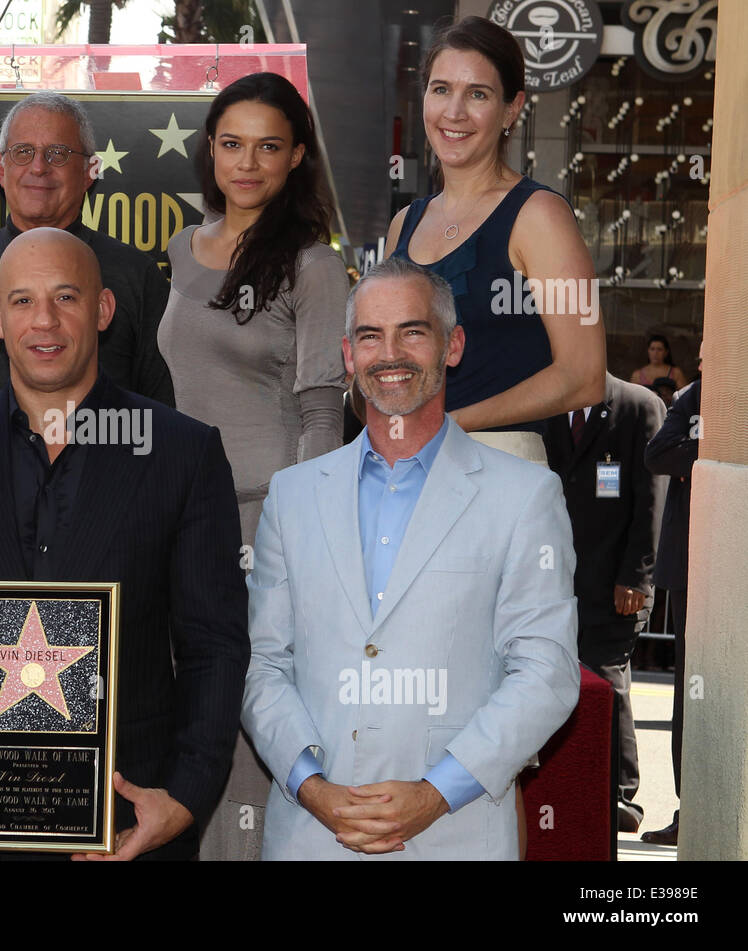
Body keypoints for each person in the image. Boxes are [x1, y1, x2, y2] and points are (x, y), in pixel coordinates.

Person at [0, 228, 248, 861]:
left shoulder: (183, 452)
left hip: (126, 825)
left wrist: (183, 795)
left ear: (103, 310)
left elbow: (214, 645)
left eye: (67, 297)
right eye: (21, 300)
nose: (44, 320)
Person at [242, 256, 580, 860]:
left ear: (452, 346)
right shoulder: (292, 495)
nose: (389, 353)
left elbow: (546, 674)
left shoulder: (524, 496)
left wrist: (435, 793)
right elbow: (263, 665)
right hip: (311, 835)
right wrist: (313, 789)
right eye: (370, 335)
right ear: (348, 355)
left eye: (413, 331)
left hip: (456, 833)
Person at [156, 71, 347, 860]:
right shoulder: (180, 246)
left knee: (251, 709)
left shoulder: (312, 263)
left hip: (262, 518)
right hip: (177, 514)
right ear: (210, 150)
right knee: (191, 708)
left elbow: (322, 407)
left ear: (298, 155)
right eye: (231, 143)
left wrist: (303, 535)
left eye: (270, 146)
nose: (247, 162)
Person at [385, 16, 605, 458]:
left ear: (511, 109)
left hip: (499, 467)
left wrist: (445, 425)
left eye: (478, 94)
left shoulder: (540, 216)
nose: (454, 112)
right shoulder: (403, 224)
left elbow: (584, 376)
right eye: (441, 89)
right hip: (406, 466)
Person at [0, 91, 174, 412]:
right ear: (1, 169)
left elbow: (160, 410)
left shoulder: (136, 275)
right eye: (23, 152)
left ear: (89, 171)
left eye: (57, 153)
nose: (39, 168)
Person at [544, 374, 667, 835]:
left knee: (607, 680)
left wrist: (636, 576)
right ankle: (576, 785)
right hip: (558, 579)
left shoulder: (638, 407)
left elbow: (651, 500)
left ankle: (620, 794)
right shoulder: (548, 406)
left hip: (617, 583)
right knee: (562, 681)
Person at [640, 354, 702, 847]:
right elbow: (658, 454)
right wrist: (713, 450)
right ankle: (689, 809)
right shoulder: (691, 398)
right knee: (689, 689)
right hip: (688, 568)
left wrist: (694, 456)